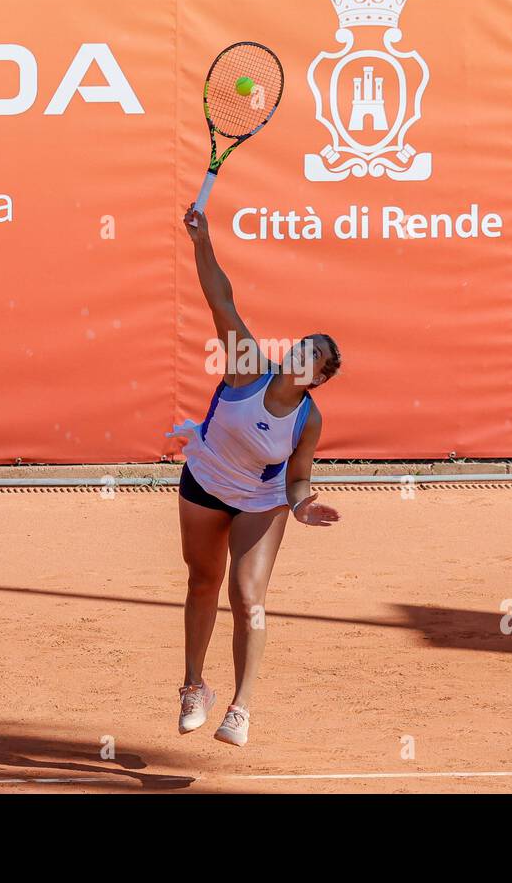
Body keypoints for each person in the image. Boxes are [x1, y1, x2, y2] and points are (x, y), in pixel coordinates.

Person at [171, 204, 342, 747]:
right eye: (301, 345)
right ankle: (194, 686)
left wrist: (301, 504)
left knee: (249, 597)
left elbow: (296, 478)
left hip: (261, 499)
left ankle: (241, 708)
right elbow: (220, 297)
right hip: (205, 478)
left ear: (317, 378)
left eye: (312, 357)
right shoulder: (246, 364)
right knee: (203, 582)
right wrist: (201, 240)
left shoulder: (308, 419)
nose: (300, 354)